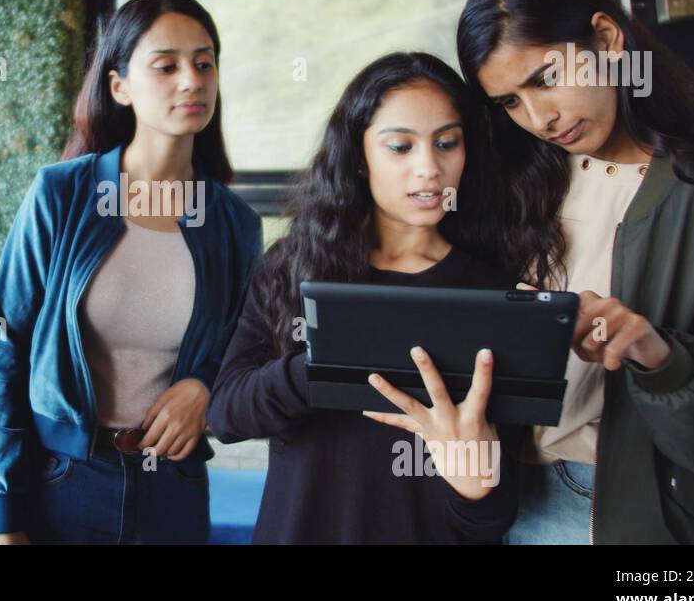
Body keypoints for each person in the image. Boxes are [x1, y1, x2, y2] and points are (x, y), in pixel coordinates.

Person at [456, 0, 694, 543]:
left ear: (605, 39)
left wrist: (658, 357)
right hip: (485, 500)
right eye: (509, 103)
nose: (539, 118)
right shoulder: (496, 187)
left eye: (547, 77)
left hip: (620, 507)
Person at [0, 0, 262, 544]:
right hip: (63, 481)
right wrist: (2, 519)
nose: (192, 80)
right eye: (167, 65)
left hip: (174, 487)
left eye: (205, 63)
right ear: (120, 86)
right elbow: (6, 350)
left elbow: (249, 349)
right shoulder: (60, 195)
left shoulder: (235, 225)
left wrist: (205, 386)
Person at [208, 52, 520, 544]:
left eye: (447, 143)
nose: (429, 168)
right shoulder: (294, 264)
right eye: (400, 146)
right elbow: (226, 413)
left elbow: (491, 515)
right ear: (358, 156)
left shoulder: (493, 293)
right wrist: (328, 366)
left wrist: (475, 480)